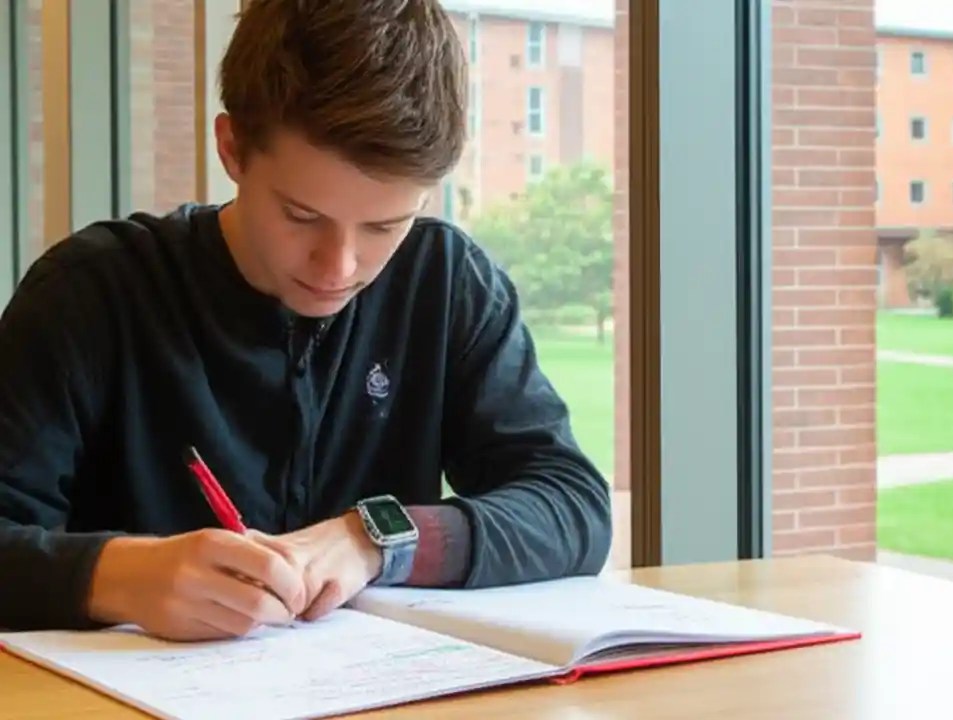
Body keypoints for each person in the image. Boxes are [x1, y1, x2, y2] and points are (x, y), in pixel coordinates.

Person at [0, 0, 611, 640]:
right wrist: (117, 576)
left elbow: (571, 503)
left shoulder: (445, 282)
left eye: (384, 226)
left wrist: (373, 537)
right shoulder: (93, 293)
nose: (338, 266)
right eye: (300, 215)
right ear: (232, 148)